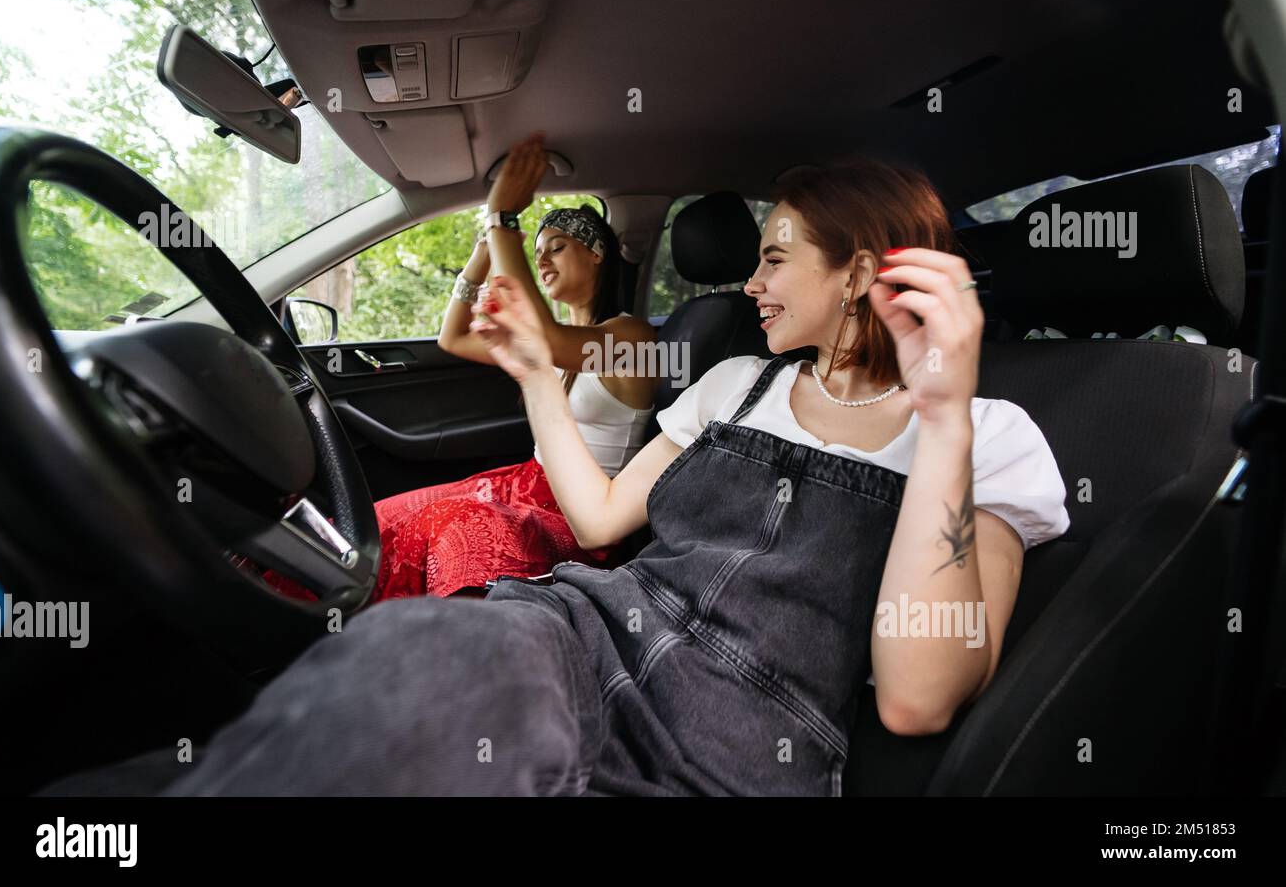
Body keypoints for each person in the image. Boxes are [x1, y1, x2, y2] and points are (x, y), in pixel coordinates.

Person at [69, 155, 1069, 797]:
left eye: (773, 259)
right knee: (421, 655)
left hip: (734, 749)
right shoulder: (731, 381)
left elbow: (915, 700)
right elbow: (596, 520)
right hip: (576, 630)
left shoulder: (986, 432)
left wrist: (939, 421)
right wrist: (539, 379)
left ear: (858, 272)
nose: (749, 284)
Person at [265, 136, 660, 601]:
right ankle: (282, 604)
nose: (542, 258)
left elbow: (546, 340)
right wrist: (481, 256)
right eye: (537, 250)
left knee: (446, 528)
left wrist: (504, 220)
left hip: (578, 516)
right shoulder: (556, 347)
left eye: (557, 246)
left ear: (596, 253)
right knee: (380, 522)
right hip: (524, 483)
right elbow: (452, 339)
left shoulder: (633, 338)